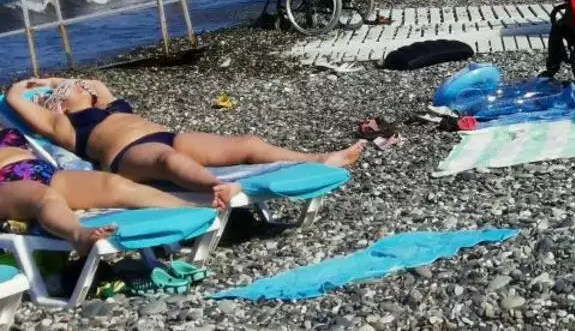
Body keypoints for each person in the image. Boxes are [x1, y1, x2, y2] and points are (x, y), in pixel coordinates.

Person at [5, 79, 364, 210]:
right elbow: (14, 99)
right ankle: (217, 187)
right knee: (166, 160)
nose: (82, 86)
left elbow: (98, 81)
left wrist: (67, 81)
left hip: (163, 133)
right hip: (126, 156)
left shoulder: (105, 103)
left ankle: (319, 158)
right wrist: (33, 86)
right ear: (61, 103)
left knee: (247, 143)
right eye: (73, 89)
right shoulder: (62, 124)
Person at [0, 126, 194, 255]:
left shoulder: (8, 133)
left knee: (114, 184)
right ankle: (78, 235)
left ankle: (194, 210)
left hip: (41, 171)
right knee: (42, 196)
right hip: (5, 183)